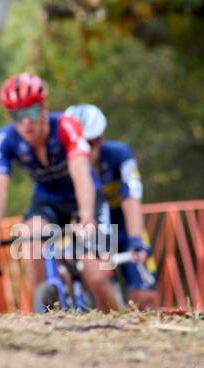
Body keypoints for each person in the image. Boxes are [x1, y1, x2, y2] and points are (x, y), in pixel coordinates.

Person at [0, 72, 119, 311]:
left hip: (84, 197)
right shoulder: (6, 139)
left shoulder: (66, 127)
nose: (26, 122)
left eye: (32, 112)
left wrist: (87, 217)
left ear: (44, 108)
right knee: (31, 239)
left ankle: (121, 327)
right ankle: (45, 312)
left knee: (96, 277)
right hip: (47, 201)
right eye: (17, 115)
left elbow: (81, 174)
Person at [63, 104, 159, 309]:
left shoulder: (119, 154)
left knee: (145, 299)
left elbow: (131, 198)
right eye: (79, 144)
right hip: (92, 231)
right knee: (96, 279)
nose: (85, 151)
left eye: (91, 143)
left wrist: (135, 239)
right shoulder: (64, 165)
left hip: (124, 228)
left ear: (101, 139)